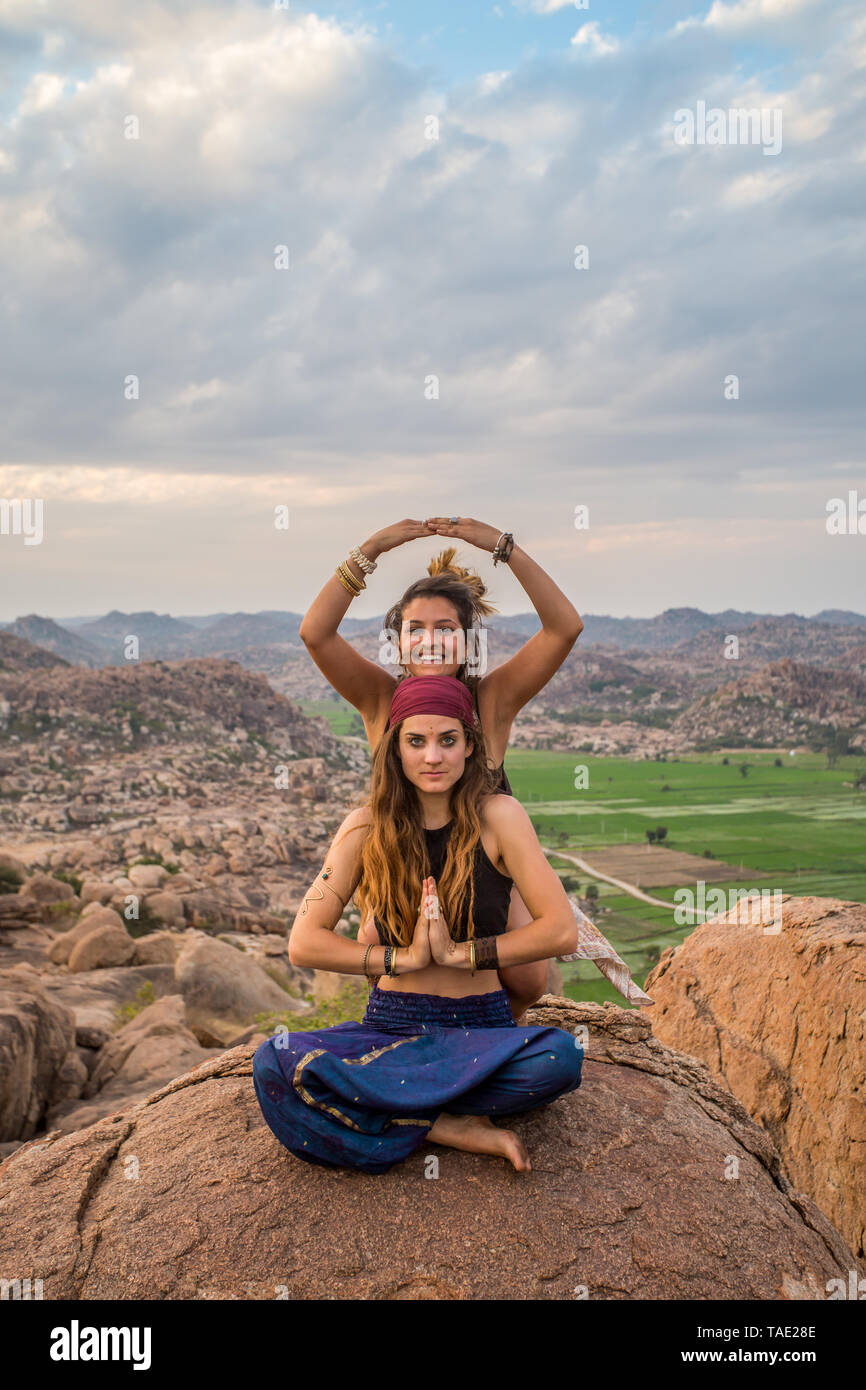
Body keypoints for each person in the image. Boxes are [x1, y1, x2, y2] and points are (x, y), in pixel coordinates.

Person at [298, 518, 652, 1010]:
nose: (430, 639)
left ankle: (492, 1039)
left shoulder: (492, 700)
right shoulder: (382, 699)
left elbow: (565, 627)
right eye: (415, 628)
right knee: (380, 952)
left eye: (446, 629)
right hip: (404, 859)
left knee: (527, 980)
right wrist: (373, 548)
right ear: (398, 642)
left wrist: (501, 547)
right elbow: (316, 633)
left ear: (468, 642)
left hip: (484, 866)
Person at [252, 675, 584, 1175]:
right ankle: (441, 1123)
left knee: (560, 1058)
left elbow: (560, 930)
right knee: (272, 1060)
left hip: (482, 1026)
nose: (433, 756)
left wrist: (460, 954)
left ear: (470, 746)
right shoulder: (365, 827)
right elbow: (303, 943)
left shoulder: (500, 816)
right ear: (396, 750)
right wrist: (400, 958)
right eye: (416, 741)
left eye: (448, 740)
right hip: (392, 1024)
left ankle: (395, 1110)